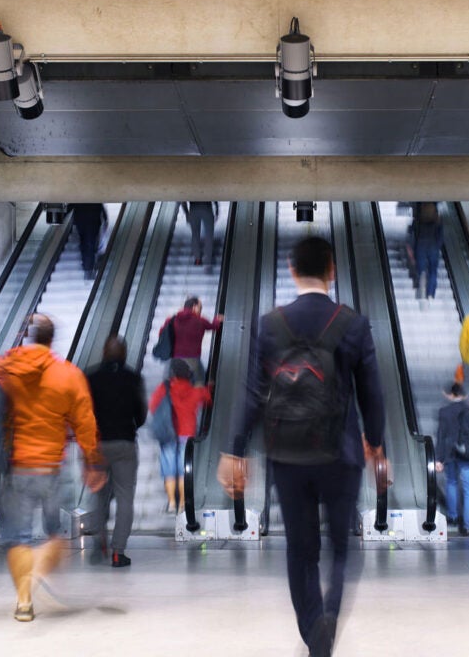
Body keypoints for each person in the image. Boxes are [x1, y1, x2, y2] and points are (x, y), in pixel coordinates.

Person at [218, 236, 387, 657]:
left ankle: (314, 629)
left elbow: (253, 391)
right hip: (340, 453)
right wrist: (377, 443)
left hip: (287, 455)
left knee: (300, 548)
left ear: (292, 271)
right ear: (332, 270)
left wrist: (235, 450)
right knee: (340, 548)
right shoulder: (353, 324)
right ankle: (330, 612)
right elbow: (373, 392)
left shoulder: (270, 324)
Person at [0, 313, 107, 622]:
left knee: (17, 538)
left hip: (15, 468)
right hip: (52, 467)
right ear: (51, 340)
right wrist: (92, 461)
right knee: (55, 535)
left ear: (28, 336)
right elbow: (85, 423)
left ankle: (24, 602)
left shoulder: (6, 366)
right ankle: (40, 567)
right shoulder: (68, 374)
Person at [85, 335, 146, 567]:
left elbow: (84, 411)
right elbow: (141, 414)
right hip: (124, 443)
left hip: (98, 444)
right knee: (125, 497)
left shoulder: (90, 378)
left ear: (103, 352)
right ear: (124, 354)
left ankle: (98, 544)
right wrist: (130, 426)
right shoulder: (133, 378)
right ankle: (118, 552)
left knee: (98, 496)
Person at [149, 359, 212, 513]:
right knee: (184, 470)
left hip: (169, 435)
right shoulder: (194, 391)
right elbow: (208, 399)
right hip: (187, 435)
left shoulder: (164, 389)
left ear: (173, 374)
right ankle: (183, 502)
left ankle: (171, 503)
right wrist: (208, 386)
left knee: (169, 471)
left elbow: (152, 406)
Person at [435, 383, 469, 536]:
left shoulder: (444, 412)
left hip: (450, 454)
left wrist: (439, 459)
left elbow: (441, 436)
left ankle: (453, 516)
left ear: (450, 394)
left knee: (451, 483)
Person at [160, 296, 223, 383]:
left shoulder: (171, 320)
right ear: (194, 307)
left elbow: (161, 334)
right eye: (200, 308)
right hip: (193, 361)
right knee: (198, 386)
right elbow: (214, 327)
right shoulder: (200, 320)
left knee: (171, 389)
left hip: (173, 361)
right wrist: (217, 319)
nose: (201, 311)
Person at [411, 201, 444, 305]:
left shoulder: (418, 220)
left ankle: (421, 286)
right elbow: (441, 237)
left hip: (421, 246)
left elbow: (414, 235)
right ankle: (430, 294)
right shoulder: (438, 221)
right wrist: (437, 246)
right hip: (433, 247)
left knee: (421, 270)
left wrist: (413, 248)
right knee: (433, 271)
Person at [73, 203, 109, 279]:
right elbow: (100, 206)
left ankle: (87, 267)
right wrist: (105, 219)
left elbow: (71, 206)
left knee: (85, 244)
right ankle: (88, 269)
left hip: (82, 223)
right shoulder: (93, 197)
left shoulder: (78, 198)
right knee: (89, 245)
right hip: (92, 222)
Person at [183, 201, 219, 273]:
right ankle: (207, 261)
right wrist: (217, 210)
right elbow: (215, 195)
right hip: (207, 208)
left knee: (195, 234)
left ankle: (198, 259)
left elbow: (183, 200)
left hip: (193, 209)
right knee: (209, 235)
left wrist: (186, 212)